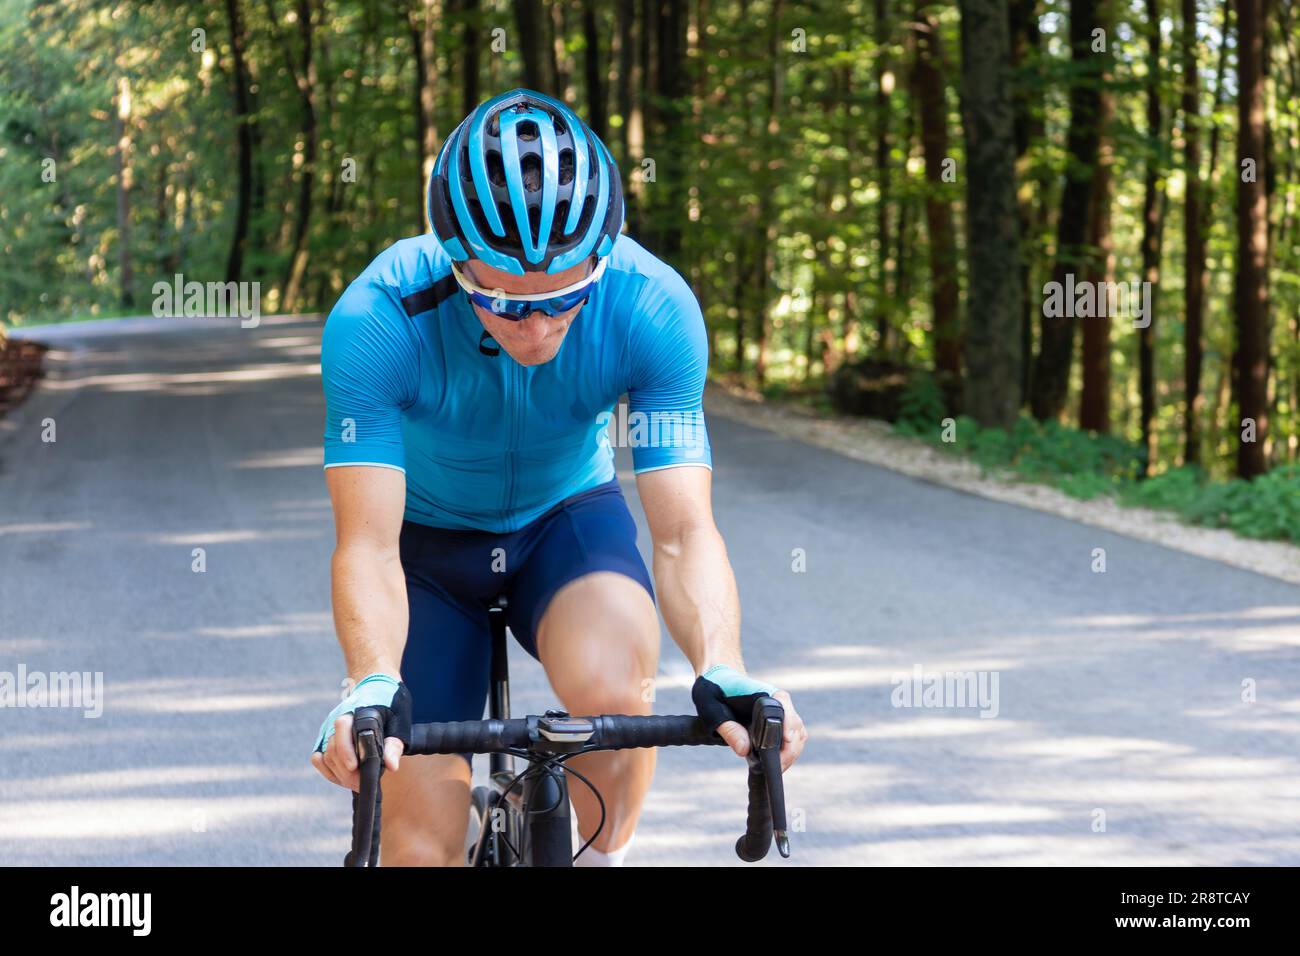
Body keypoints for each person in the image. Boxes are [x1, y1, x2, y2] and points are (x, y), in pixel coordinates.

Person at [310, 88, 806, 866]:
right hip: (428, 554)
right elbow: (367, 546)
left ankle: (601, 857)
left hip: (565, 523)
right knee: (416, 845)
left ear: (602, 257)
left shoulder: (653, 308)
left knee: (615, 697)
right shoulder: (378, 317)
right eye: (501, 300)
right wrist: (369, 681)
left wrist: (724, 665)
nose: (537, 327)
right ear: (451, 255)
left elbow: (681, 533)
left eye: (566, 296)